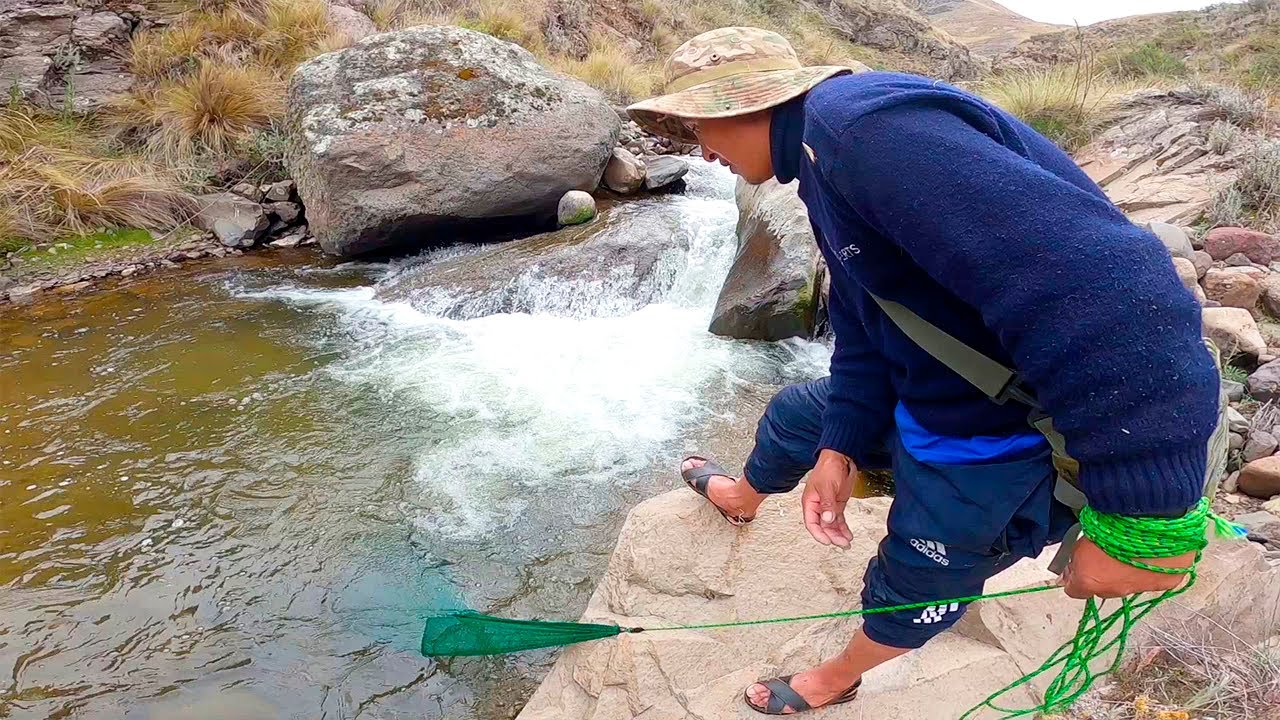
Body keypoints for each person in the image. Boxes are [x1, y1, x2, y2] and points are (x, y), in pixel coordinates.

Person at [626, 27, 1220, 715]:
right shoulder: (820, 158)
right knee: (797, 419)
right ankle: (741, 499)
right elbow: (865, 317)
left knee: (918, 574)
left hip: (996, 433)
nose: (702, 149)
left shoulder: (859, 131)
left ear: (745, 105)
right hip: (929, 393)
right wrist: (840, 443)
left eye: (699, 124)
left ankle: (837, 678)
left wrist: (1141, 524)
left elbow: (1118, 289)